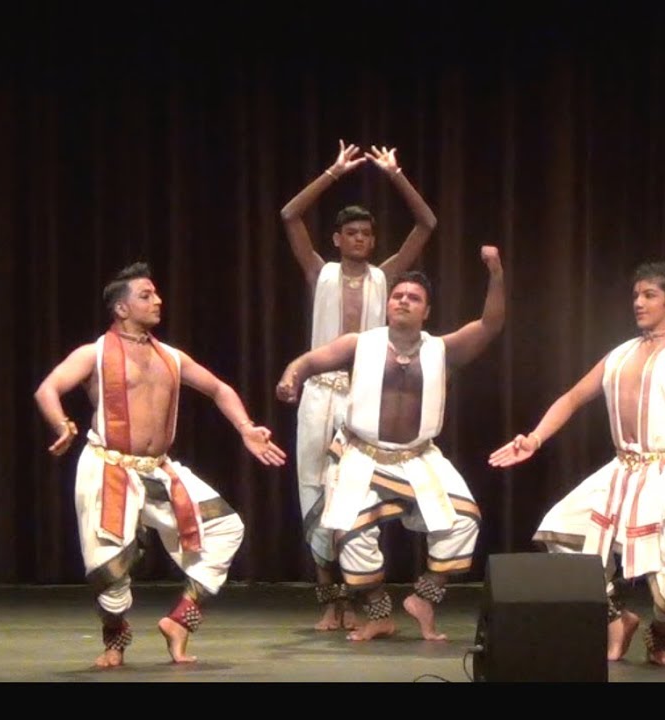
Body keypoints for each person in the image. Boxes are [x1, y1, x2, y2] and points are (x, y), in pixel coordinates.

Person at [34, 262, 286, 667]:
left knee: (225, 528)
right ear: (121, 308)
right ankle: (115, 640)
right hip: (108, 466)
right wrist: (61, 423)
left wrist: (245, 427)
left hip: (158, 468)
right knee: (108, 568)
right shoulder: (94, 353)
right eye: (146, 295)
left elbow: (219, 388)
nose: (158, 301)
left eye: (156, 294)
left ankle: (180, 621)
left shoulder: (171, 356)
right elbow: (48, 388)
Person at [489, 261, 665, 668]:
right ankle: (617, 618)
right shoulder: (619, 355)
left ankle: (660, 640)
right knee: (561, 530)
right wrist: (535, 438)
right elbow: (572, 397)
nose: (639, 303)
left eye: (649, 295)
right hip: (624, 469)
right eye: (636, 295)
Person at [277, 247, 504, 642]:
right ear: (387, 305)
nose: (403, 301)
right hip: (362, 456)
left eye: (413, 298)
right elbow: (310, 361)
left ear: (426, 311)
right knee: (350, 534)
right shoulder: (359, 344)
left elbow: (490, 324)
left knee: (464, 520)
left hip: (418, 458)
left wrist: (496, 272)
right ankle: (379, 612)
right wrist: (290, 377)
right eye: (397, 295)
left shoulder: (441, 349)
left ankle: (425, 599)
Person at [280, 139, 438, 630]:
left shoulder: (385, 278)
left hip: (363, 398)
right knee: (312, 490)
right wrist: (333, 173)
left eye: (367, 234)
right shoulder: (321, 273)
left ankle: (364, 598)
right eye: (351, 233)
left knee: (354, 495)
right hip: (319, 394)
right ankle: (331, 603)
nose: (359, 240)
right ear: (337, 239)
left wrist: (395, 174)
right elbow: (289, 215)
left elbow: (427, 224)